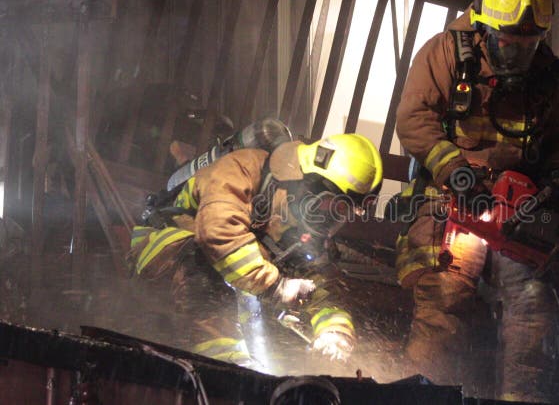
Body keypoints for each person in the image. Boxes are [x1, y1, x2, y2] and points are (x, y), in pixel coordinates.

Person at [394, 0, 559, 401]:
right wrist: (455, 172)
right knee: (446, 297)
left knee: (532, 309)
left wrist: (557, 176)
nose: (519, 57)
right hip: (454, 201)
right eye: (509, 45)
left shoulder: (543, 76)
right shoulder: (445, 54)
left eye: (528, 46)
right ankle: (422, 396)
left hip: (515, 210)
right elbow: (413, 118)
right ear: (483, 31)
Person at [127, 129, 383, 368]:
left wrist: (335, 333)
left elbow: (324, 292)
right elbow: (217, 234)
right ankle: (221, 369)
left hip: (231, 282)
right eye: (337, 207)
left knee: (286, 319)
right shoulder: (242, 168)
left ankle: (247, 370)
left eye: (347, 212)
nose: (337, 219)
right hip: (163, 252)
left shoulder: (305, 226)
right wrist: (277, 286)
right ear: (314, 183)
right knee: (207, 264)